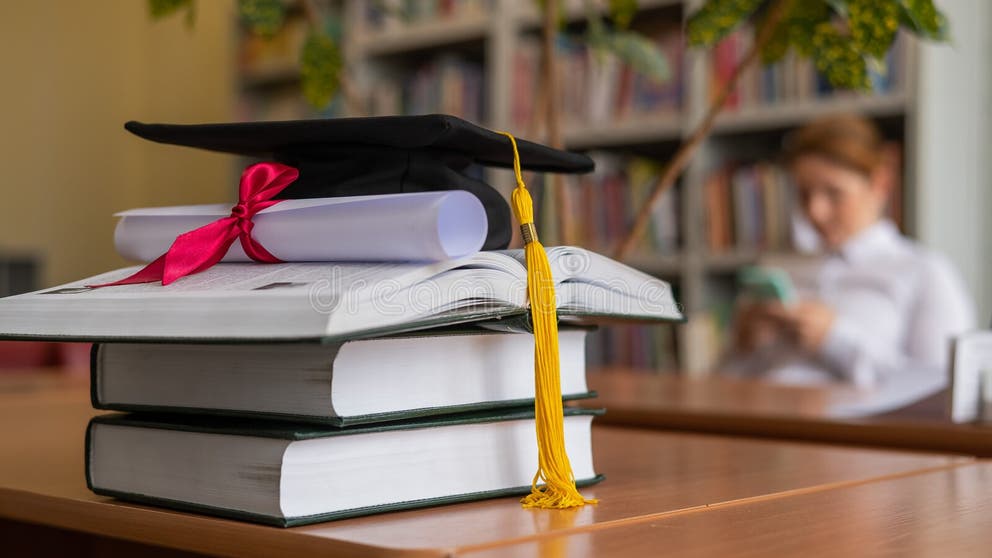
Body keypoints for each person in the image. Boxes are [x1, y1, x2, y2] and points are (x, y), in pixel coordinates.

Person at [720, 114, 975, 392]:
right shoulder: (778, 267)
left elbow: (939, 388)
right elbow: (719, 383)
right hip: (760, 420)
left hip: (856, 431)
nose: (816, 212)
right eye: (804, 194)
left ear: (880, 183)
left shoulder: (924, 272)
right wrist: (743, 345)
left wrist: (835, 340)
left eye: (834, 193)